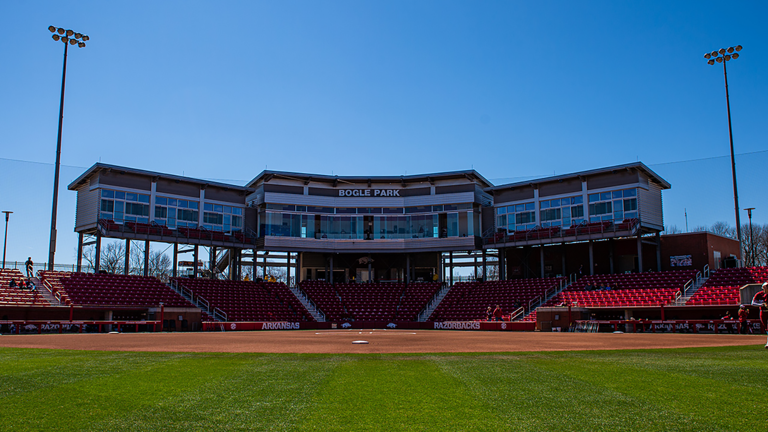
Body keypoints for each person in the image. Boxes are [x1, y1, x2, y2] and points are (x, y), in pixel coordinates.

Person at [750, 282, 768, 348]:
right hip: (763, 312)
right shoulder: (759, 294)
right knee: (766, 327)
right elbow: (753, 303)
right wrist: (761, 305)